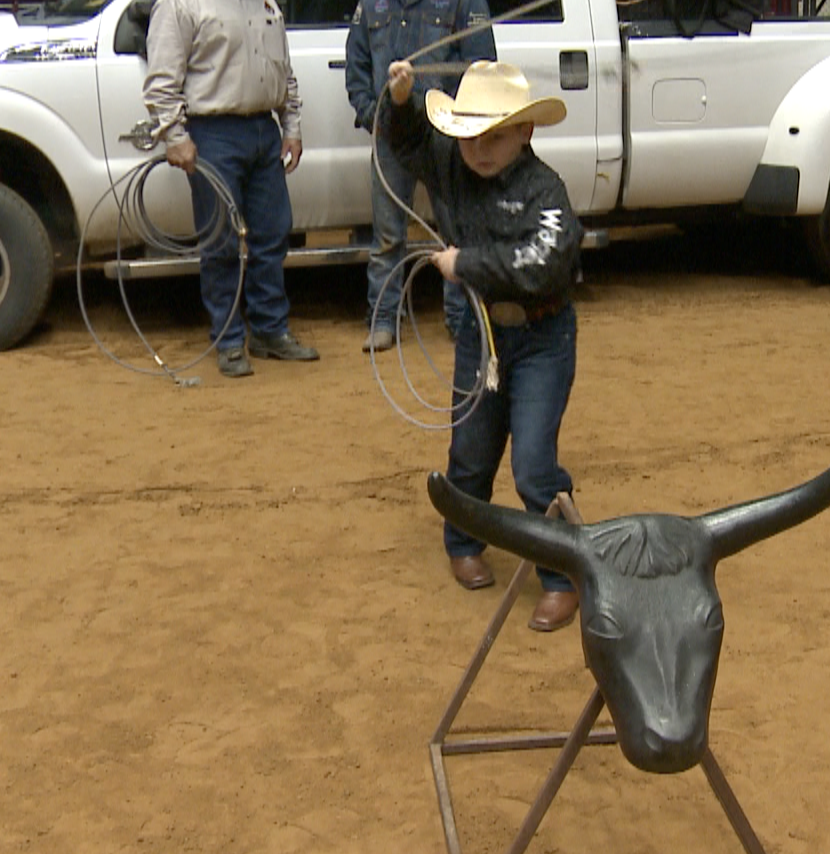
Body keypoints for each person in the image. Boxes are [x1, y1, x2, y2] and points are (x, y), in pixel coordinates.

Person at [383, 58, 584, 631]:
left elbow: (545, 263)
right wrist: (401, 100)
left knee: (533, 464)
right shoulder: (450, 162)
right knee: (469, 450)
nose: (479, 148)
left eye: (495, 135)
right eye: (470, 135)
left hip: (543, 336)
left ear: (525, 132)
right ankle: (462, 541)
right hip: (483, 332)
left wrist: (465, 263)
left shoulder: (545, 189)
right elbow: (408, 142)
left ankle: (560, 573)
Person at [143, 0, 320, 379]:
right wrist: (175, 137)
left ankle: (270, 330)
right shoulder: (179, 5)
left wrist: (291, 127)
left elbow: (283, 72)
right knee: (220, 240)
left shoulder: (266, 2)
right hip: (213, 132)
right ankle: (228, 340)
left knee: (273, 233)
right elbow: (162, 81)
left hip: (263, 128)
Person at [345, 0, 496, 352]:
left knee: (456, 230)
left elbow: (480, 68)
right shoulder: (371, 4)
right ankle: (383, 319)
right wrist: (377, 118)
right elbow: (357, 68)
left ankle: (463, 320)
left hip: (445, 136)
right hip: (392, 136)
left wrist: (456, 122)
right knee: (387, 235)